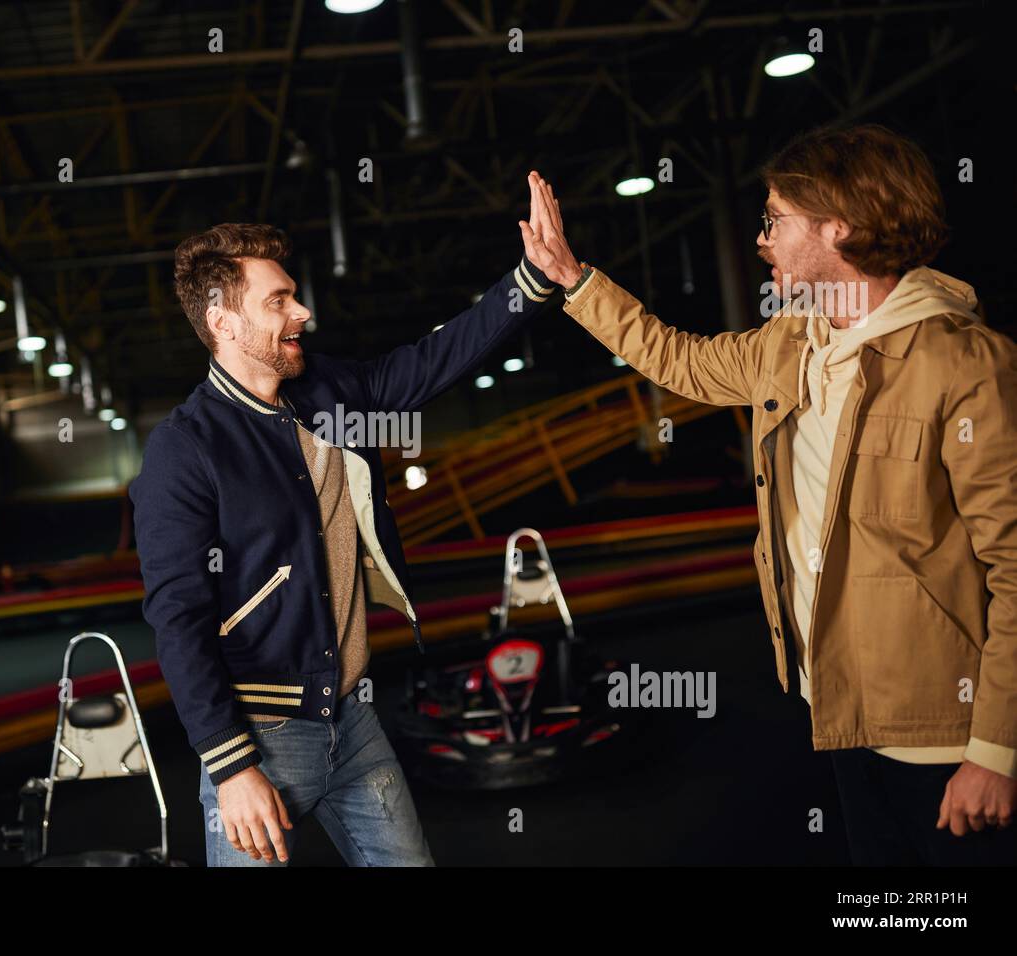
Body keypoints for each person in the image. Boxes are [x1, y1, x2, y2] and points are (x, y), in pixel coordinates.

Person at [532, 125, 1017, 865]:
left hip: (948, 739)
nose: (762, 240)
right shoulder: (790, 343)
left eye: (775, 220)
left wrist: (996, 750)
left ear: (839, 226)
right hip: (841, 710)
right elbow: (680, 359)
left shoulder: (963, 363)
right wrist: (575, 280)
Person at [129, 173, 567, 866]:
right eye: (279, 299)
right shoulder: (183, 449)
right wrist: (231, 766)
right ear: (224, 321)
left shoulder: (328, 389)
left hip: (352, 719)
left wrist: (531, 282)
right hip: (261, 738)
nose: (302, 312)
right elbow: (177, 618)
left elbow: (432, 361)